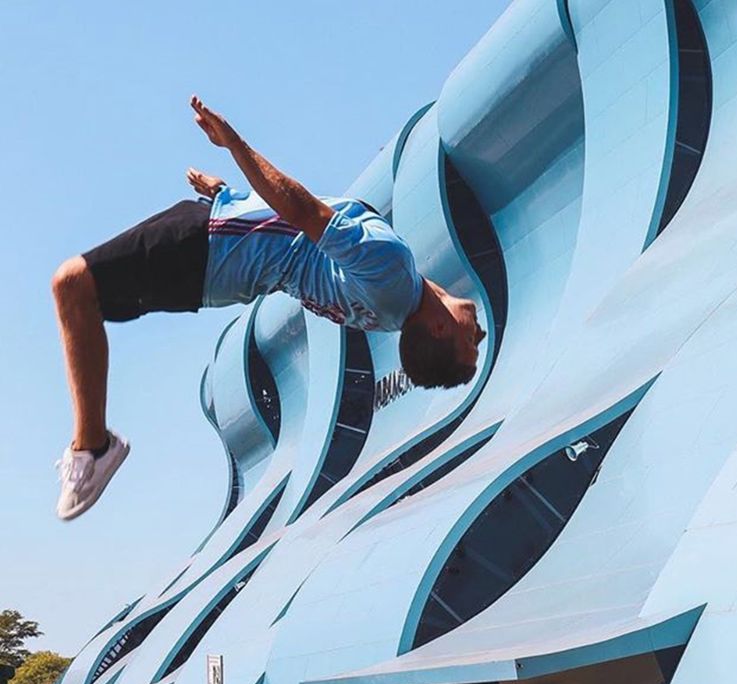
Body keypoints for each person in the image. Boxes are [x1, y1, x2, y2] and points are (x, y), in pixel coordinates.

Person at [49, 96, 486, 521]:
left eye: (472, 342)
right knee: (83, 304)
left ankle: (93, 448)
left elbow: (301, 212)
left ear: (440, 330)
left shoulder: (391, 276)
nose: (481, 333)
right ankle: (93, 443)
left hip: (212, 246)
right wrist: (226, 192)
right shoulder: (388, 312)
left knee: (71, 284)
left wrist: (234, 143)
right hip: (219, 255)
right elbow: (297, 254)